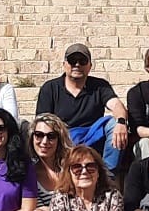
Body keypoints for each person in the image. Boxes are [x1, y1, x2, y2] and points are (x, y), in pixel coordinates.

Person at [35, 42, 129, 172]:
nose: (77, 65)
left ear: (90, 66)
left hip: (92, 136)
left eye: (82, 61)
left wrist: (121, 122)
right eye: (72, 61)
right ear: (64, 65)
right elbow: (43, 122)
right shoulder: (50, 88)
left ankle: (108, 175)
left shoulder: (100, 86)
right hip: (63, 138)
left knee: (114, 123)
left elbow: (116, 104)